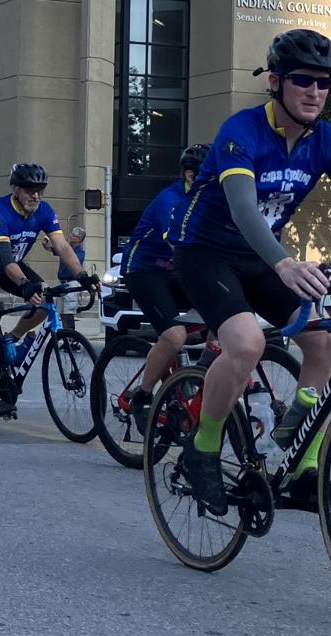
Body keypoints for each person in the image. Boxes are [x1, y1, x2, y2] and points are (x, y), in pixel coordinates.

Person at [165, 29, 331, 515]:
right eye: (303, 80)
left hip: (261, 254)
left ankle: (301, 464)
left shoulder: (330, 141)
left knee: (327, 344)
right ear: (276, 82)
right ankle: (202, 449)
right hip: (204, 251)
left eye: (325, 83)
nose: (315, 92)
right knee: (246, 344)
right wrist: (285, 262)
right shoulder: (242, 130)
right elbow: (244, 209)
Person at [0, 163, 100, 418]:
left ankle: (12, 338)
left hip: (12, 264)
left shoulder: (44, 210)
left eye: (40, 190)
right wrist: (24, 284)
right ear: (15, 189)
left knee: (46, 300)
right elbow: (4, 257)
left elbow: (63, 247)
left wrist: (82, 276)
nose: (35, 195)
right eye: (29, 190)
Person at [119, 143, 209, 427]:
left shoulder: (211, 200)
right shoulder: (169, 200)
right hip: (144, 270)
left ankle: (196, 378)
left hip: (176, 274)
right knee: (174, 337)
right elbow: (180, 248)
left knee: (227, 323)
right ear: (191, 176)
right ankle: (143, 395)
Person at [41, 226, 87, 330]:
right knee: (61, 311)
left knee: (68, 312)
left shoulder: (79, 252)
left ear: (79, 239)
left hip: (72, 283)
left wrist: (64, 246)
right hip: (62, 283)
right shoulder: (65, 248)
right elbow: (50, 248)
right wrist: (46, 242)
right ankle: (65, 335)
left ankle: (71, 336)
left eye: (74, 236)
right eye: (71, 234)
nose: (70, 236)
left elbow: (72, 264)